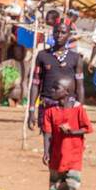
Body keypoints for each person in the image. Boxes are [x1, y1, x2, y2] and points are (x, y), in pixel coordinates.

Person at [41, 70, 91, 190]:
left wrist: (72, 132)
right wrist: (46, 152)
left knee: (72, 188)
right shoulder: (50, 112)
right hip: (57, 156)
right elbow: (47, 134)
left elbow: (87, 128)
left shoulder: (78, 109)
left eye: (56, 88)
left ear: (67, 92)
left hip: (74, 155)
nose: (52, 91)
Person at [29, 17, 84, 160]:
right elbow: (36, 83)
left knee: (66, 140)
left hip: (68, 106)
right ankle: (53, 171)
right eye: (56, 32)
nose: (59, 35)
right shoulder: (42, 56)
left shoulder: (76, 58)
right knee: (48, 138)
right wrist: (31, 110)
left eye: (63, 32)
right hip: (47, 104)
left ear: (69, 35)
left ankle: (63, 173)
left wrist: (80, 109)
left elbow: (80, 86)